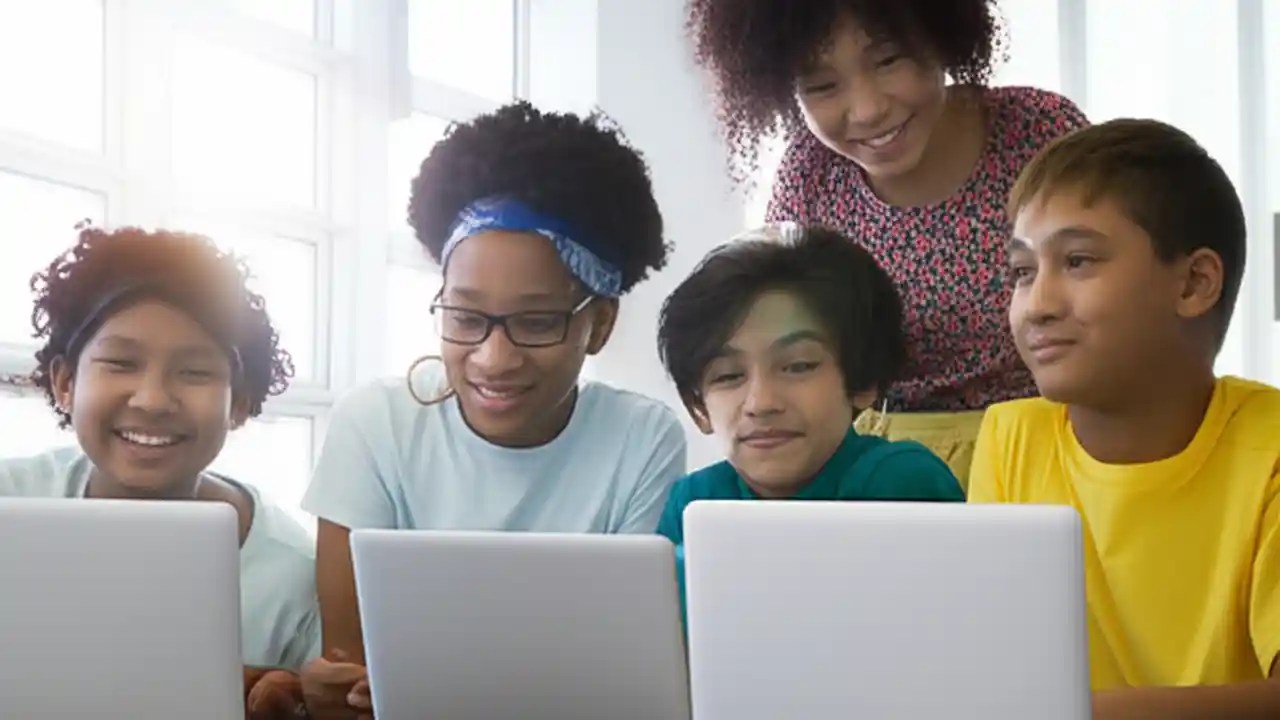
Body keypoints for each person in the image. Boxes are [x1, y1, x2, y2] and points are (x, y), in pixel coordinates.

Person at [300, 101, 687, 718]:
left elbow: (625, 671)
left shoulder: (642, 439)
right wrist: (331, 692)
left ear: (599, 324)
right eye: (465, 317)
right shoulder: (375, 424)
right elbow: (347, 662)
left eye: (536, 322)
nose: (494, 358)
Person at [685, 0, 1089, 487]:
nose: (868, 109)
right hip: (872, 472)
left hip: (1044, 450)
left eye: (889, 60)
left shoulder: (1037, 131)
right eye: (822, 86)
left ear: (941, 35)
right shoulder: (809, 175)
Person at [968, 119, 1280, 717]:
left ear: (1194, 284)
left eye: (1078, 261)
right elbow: (995, 670)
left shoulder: (1268, 451)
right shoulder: (1012, 438)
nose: (1036, 306)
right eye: (1022, 272)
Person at [0, 226, 320, 719]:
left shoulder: (294, 578)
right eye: (120, 362)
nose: (152, 400)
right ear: (65, 383)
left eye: (195, 372)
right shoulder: (10, 498)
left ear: (240, 403)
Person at [656, 224, 963, 610]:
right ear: (698, 407)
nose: (761, 402)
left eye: (798, 366)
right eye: (728, 376)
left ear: (862, 381)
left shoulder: (899, 480)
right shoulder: (694, 502)